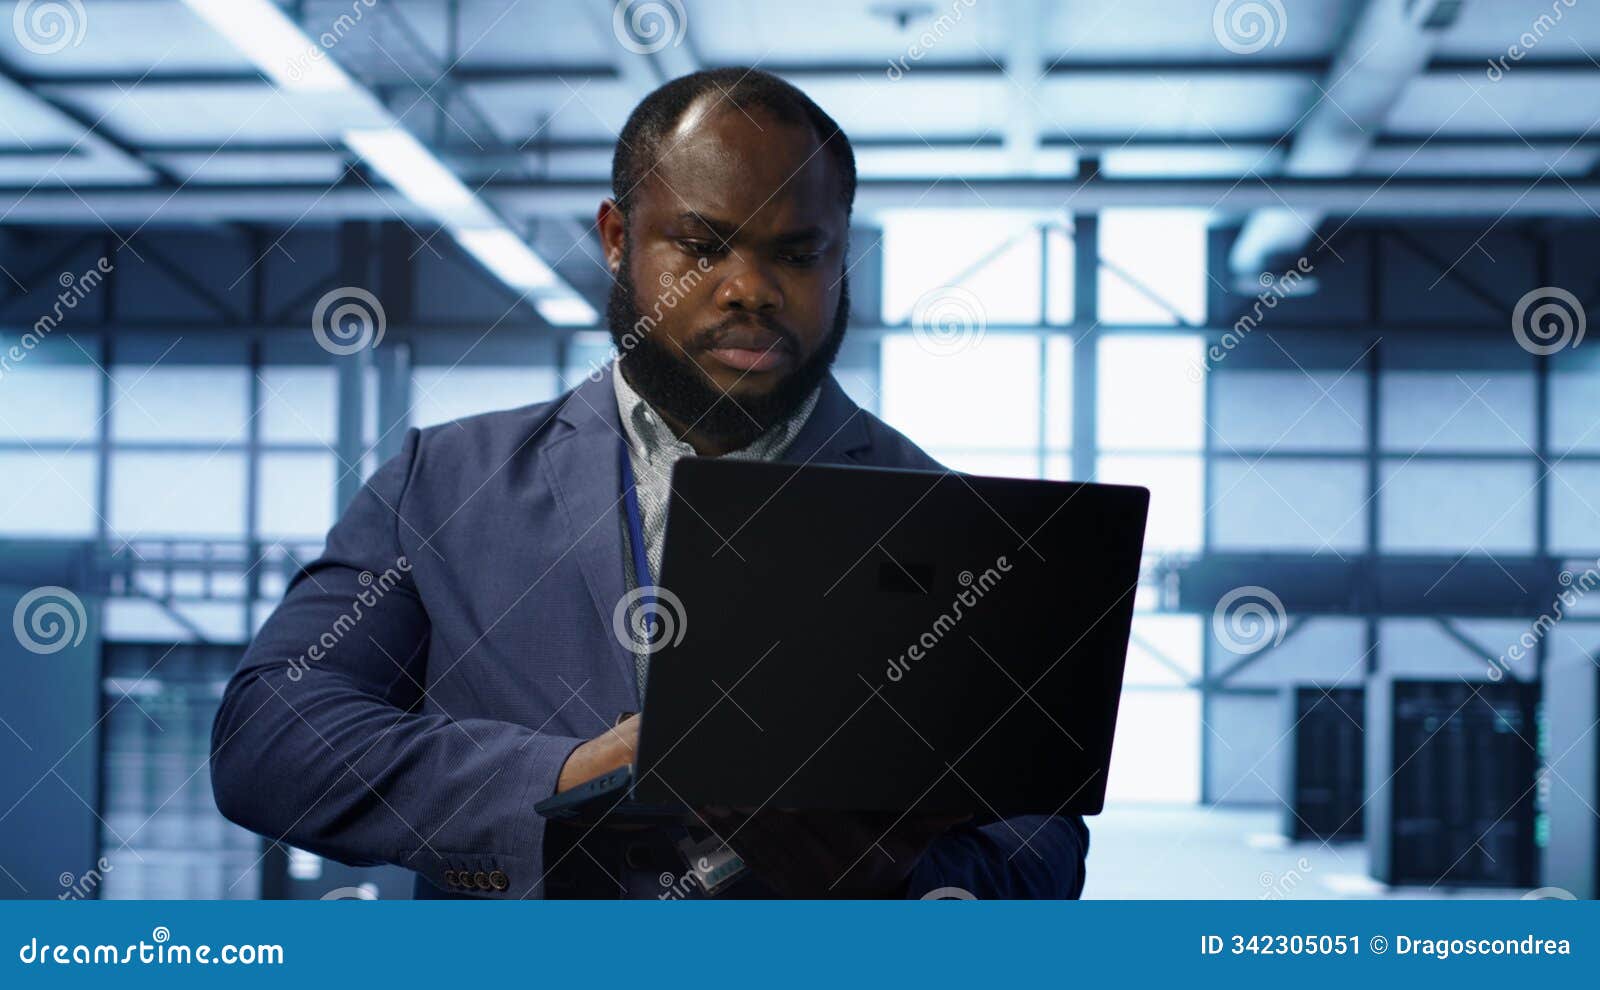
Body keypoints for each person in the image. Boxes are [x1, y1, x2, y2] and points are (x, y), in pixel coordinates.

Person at [211, 67, 1087, 899]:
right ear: (617, 239)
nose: (750, 290)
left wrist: (898, 886)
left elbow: (1040, 836)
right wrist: (565, 775)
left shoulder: (947, 521)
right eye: (703, 247)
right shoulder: (440, 484)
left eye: (797, 253)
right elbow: (270, 736)